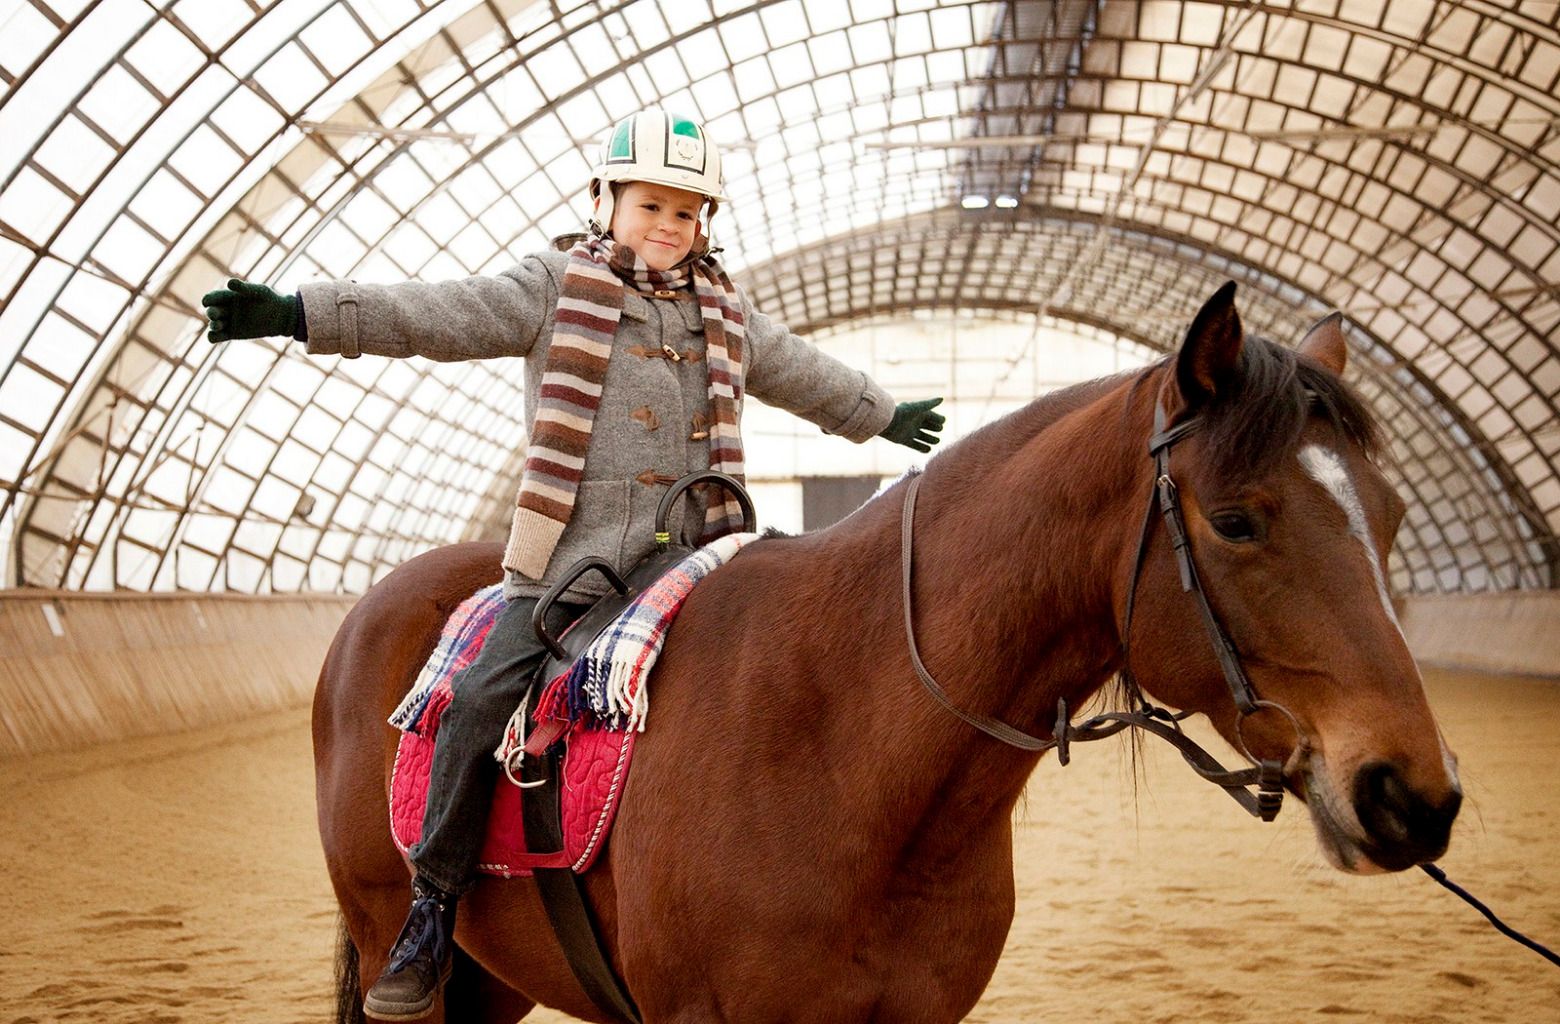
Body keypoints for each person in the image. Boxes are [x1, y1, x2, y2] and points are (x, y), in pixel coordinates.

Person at [203, 109, 944, 1019]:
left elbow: (799, 370)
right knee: (480, 701)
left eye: (685, 211)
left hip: (702, 561)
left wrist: (884, 414)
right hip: (568, 571)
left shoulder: (723, 311)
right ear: (605, 201)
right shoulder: (553, 288)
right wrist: (299, 312)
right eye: (651, 205)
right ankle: (431, 913)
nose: (668, 225)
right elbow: (439, 314)